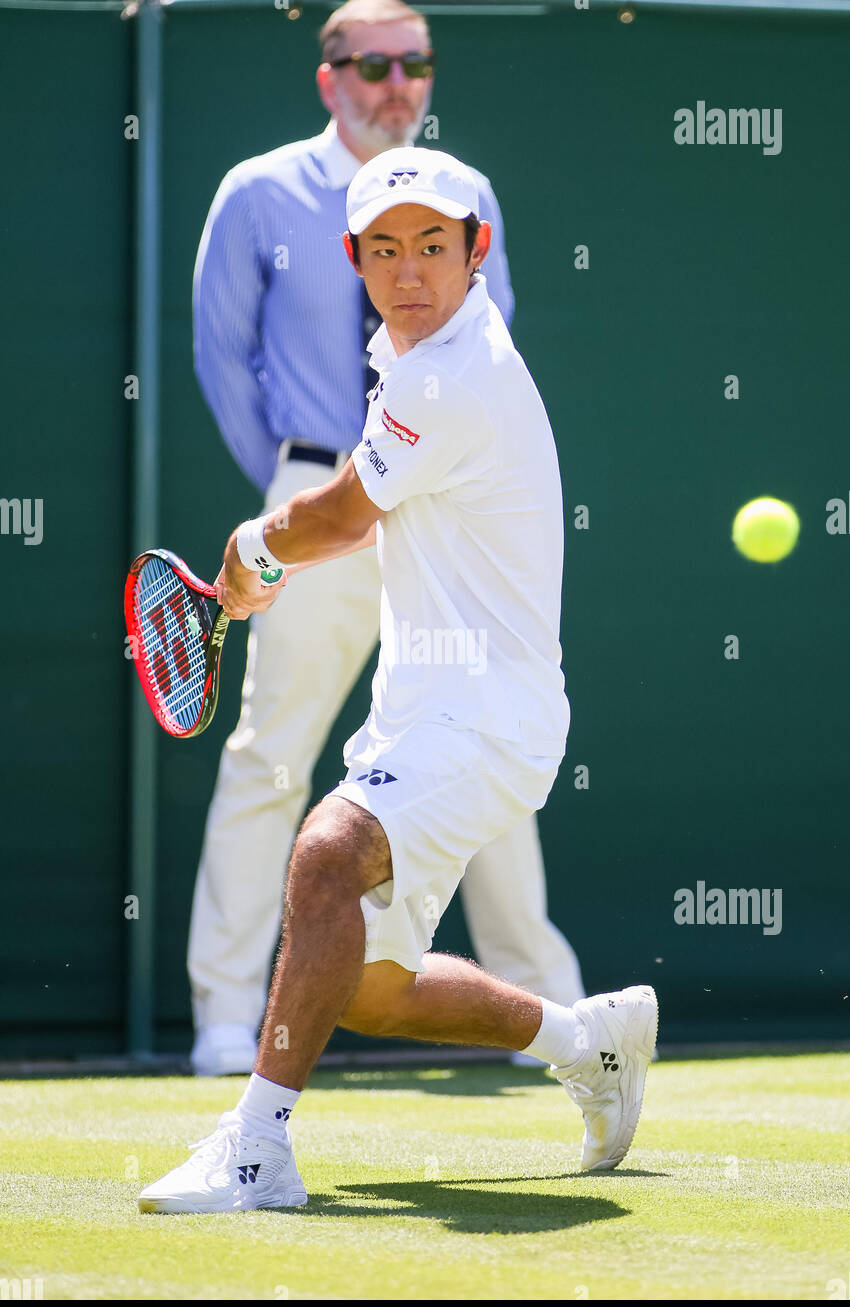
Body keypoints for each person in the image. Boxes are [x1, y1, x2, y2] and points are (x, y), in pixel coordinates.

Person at [139, 147, 658, 1214]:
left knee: (324, 855)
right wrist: (268, 556)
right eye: (384, 249)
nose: (408, 270)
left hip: (487, 717)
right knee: (361, 981)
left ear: (477, 252)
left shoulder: (445, 373)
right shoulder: (418, 356)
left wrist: (253, 550)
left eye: (433, 245)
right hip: (427, 714)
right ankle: (585, 1040)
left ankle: (255, 1149)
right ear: (354, 261)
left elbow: (338, 514)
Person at [187, 0, 584, 1078]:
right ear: (329, 78)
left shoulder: (467, 193)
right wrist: (296, 484)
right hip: (323, 481)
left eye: (413, 63)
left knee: (467, 749)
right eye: (370, 63)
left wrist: (306, 521)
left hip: (423, 495)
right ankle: (225, 1017)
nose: (393, 83)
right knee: (270, 759)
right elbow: (222, 358)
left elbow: (468, 344)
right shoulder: (257, 190)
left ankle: (543, 1004)